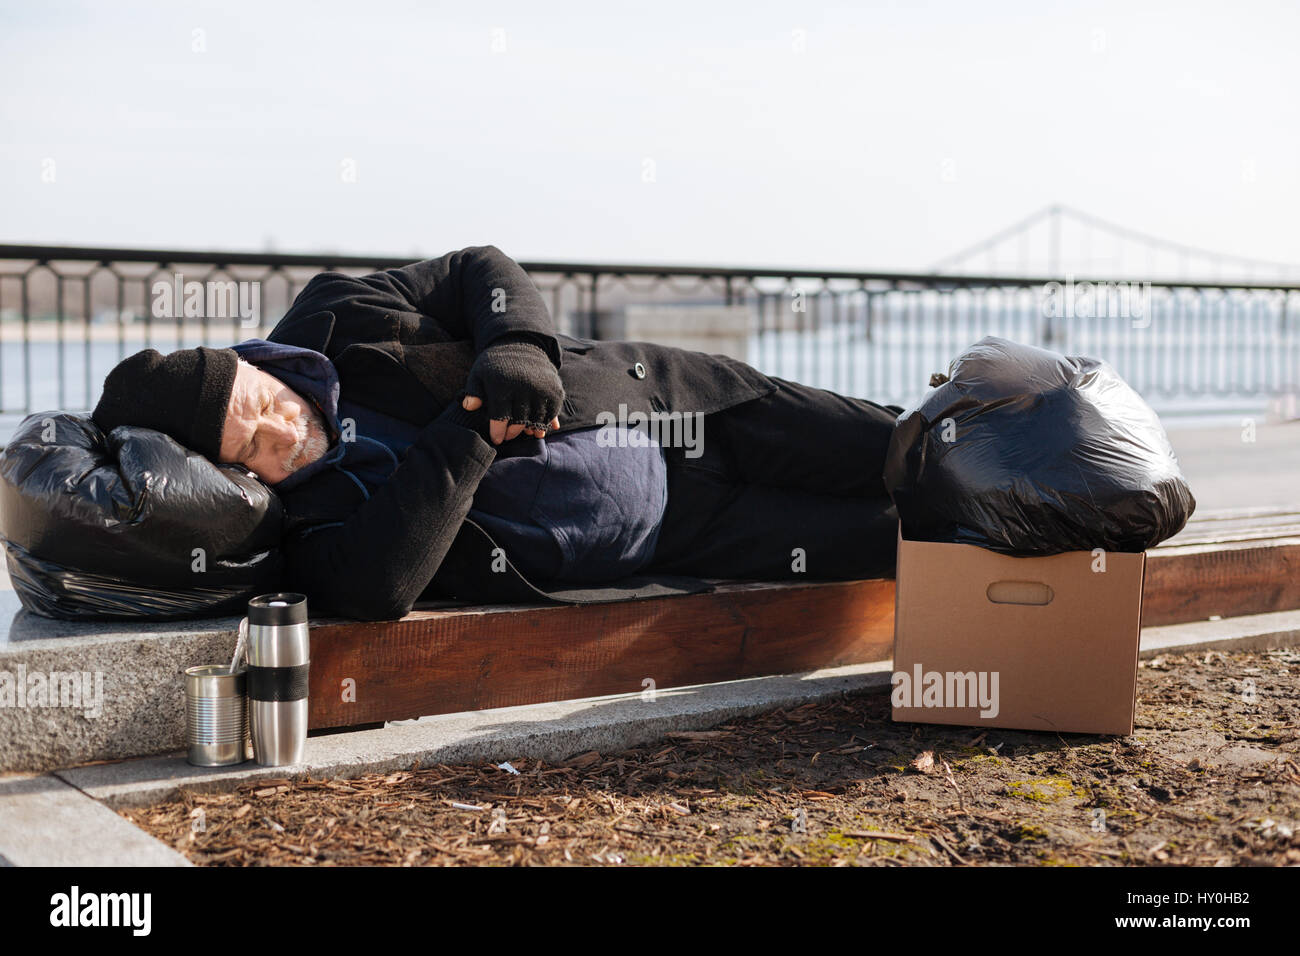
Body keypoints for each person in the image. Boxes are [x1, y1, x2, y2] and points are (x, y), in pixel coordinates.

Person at [92, 245, 901, 621]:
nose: (281, 432)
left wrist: (514, 346)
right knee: (904, 539)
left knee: (911, 454)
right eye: (251, 450)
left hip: (693, 409)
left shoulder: (333, 312)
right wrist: (470, 429)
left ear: (255, 363)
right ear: (230, 477)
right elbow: (377, 588)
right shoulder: (290, 523)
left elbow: (479, 267)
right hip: (682, 537)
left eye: (261, 401)